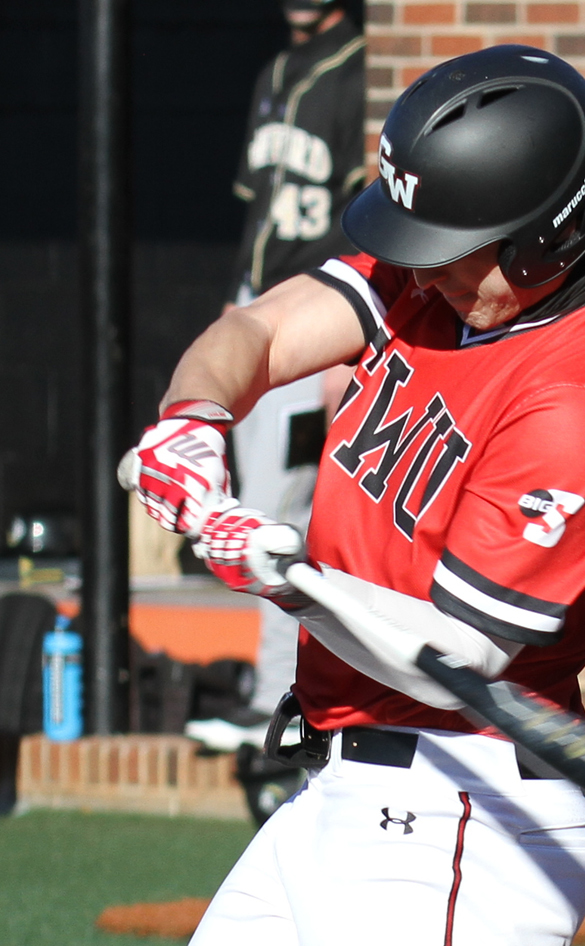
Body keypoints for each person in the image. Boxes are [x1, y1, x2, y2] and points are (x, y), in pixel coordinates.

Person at [119, 46, 585, 946]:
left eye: (452, 250)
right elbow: (260, 330)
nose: (420, 269)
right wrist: (193, 425)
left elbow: (449, 651)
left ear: (546, 240)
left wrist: (277, 572)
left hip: (459, 823)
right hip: (337, 791)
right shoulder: (450, 274)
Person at [225, 0, 367, 720]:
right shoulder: (277, 71)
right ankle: (275, 686)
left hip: (316, 314)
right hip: (262, 307)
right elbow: (256, 212)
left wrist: (343, 350)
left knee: (285, 514)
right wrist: (236, 307)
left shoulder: (359, 67)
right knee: (257, 504)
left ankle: (277, 691)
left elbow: (358, 217)